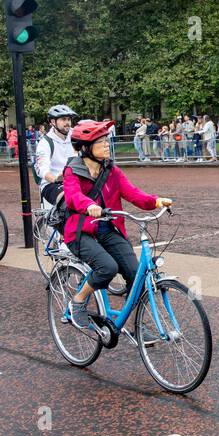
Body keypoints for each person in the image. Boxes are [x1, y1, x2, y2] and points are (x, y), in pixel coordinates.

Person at [60, 120, 172, 332]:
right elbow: (73, 197)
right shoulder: (72, 171)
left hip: (108, 230)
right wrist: (90, 205)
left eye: (106, 141)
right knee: (107, 267)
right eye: (101, 142)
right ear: (86, 148)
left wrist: (156, 201)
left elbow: (132, 193)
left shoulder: (111, 170)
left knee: (135, 273)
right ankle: (78, 300)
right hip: (81, 232)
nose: (106, 146)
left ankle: (138, 326)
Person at [34, 104, 77, 207]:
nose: (67, 123)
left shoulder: (76, 136)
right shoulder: (45, 142)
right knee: (67, 200)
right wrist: (55, 179)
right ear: (53, 122)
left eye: (69, 119)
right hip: (52, 184)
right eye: (63, 119)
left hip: (74, 181)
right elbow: (42, 168)